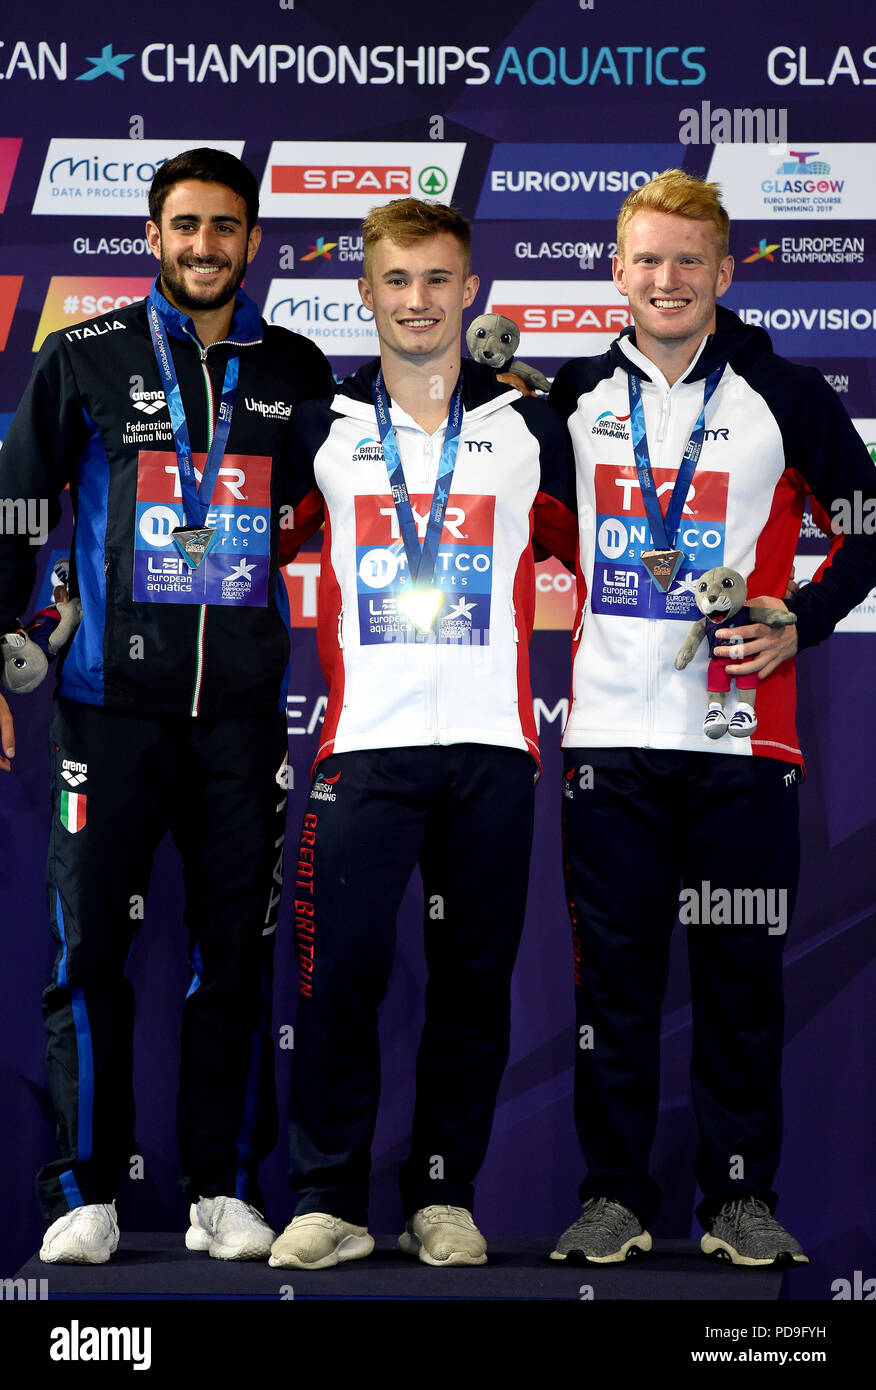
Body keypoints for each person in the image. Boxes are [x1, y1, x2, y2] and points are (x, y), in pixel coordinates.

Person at [0, 147, 334, 1264]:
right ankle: (84, 1189)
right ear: (154, 237)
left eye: (225, 227)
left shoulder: (295, 367)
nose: (204, 245)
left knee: (232, 953)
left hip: (242, 716)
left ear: (252, 241)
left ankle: (222, 1189)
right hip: (105, 710)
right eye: (184, 225)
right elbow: (15, 508)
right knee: (87, 951)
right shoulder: (83, 354)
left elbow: (350, 503)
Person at [548, 169, 876, 1268]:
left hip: (744, 745)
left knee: (739, 983)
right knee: (616, 985)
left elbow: (869, 525)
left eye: (691, 259)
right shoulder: (571, 400)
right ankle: (614, 1197)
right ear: (616, 269)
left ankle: (740, 1197)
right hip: (606, 745)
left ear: (726, 272)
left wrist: (807, 615)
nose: (668, 278)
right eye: (648, 258)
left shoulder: (785, 392)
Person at [267, 197, 577, 1270]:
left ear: (472, 291)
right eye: (397, 281)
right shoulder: (321, 427)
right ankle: (328, 1197)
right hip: (364, 747)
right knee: (340, 975)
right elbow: (237, 551)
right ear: (366, 291)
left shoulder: (531, 427)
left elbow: (608, 552)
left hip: (496, 747)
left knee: (472, 983)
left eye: (438, 280)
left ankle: (444, 1192)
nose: (418, 301)